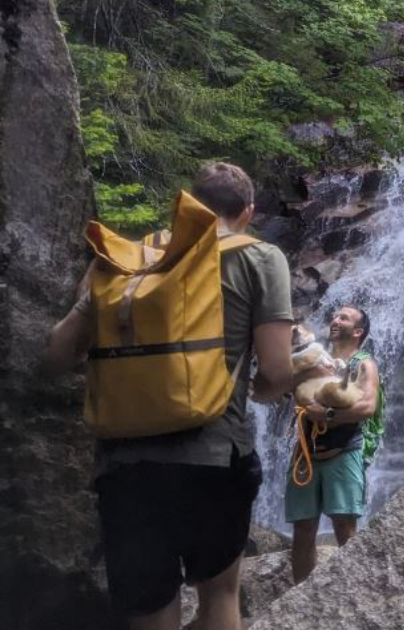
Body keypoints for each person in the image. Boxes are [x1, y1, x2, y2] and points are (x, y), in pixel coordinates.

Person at [41, 162, 295, 630]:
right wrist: (263, 390)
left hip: (126, 465)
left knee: (149, 608)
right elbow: (277, 370)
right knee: (220, 594)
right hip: (215, 457)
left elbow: (57, 355)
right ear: (249, 212)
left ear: (188, 204)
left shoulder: (123, 259)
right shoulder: (260, 257)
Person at [285, 305, 381, 583]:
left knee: (345, 526)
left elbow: (367, 406)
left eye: (344, 318)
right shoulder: (313, 358)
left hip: (344, 452)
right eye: (335, 316)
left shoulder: (364, 364)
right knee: (303, 529)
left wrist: (327, 415)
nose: (335, 320)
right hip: (306, 453)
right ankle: (302, 600)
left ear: (358, 331)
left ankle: (356, 594)